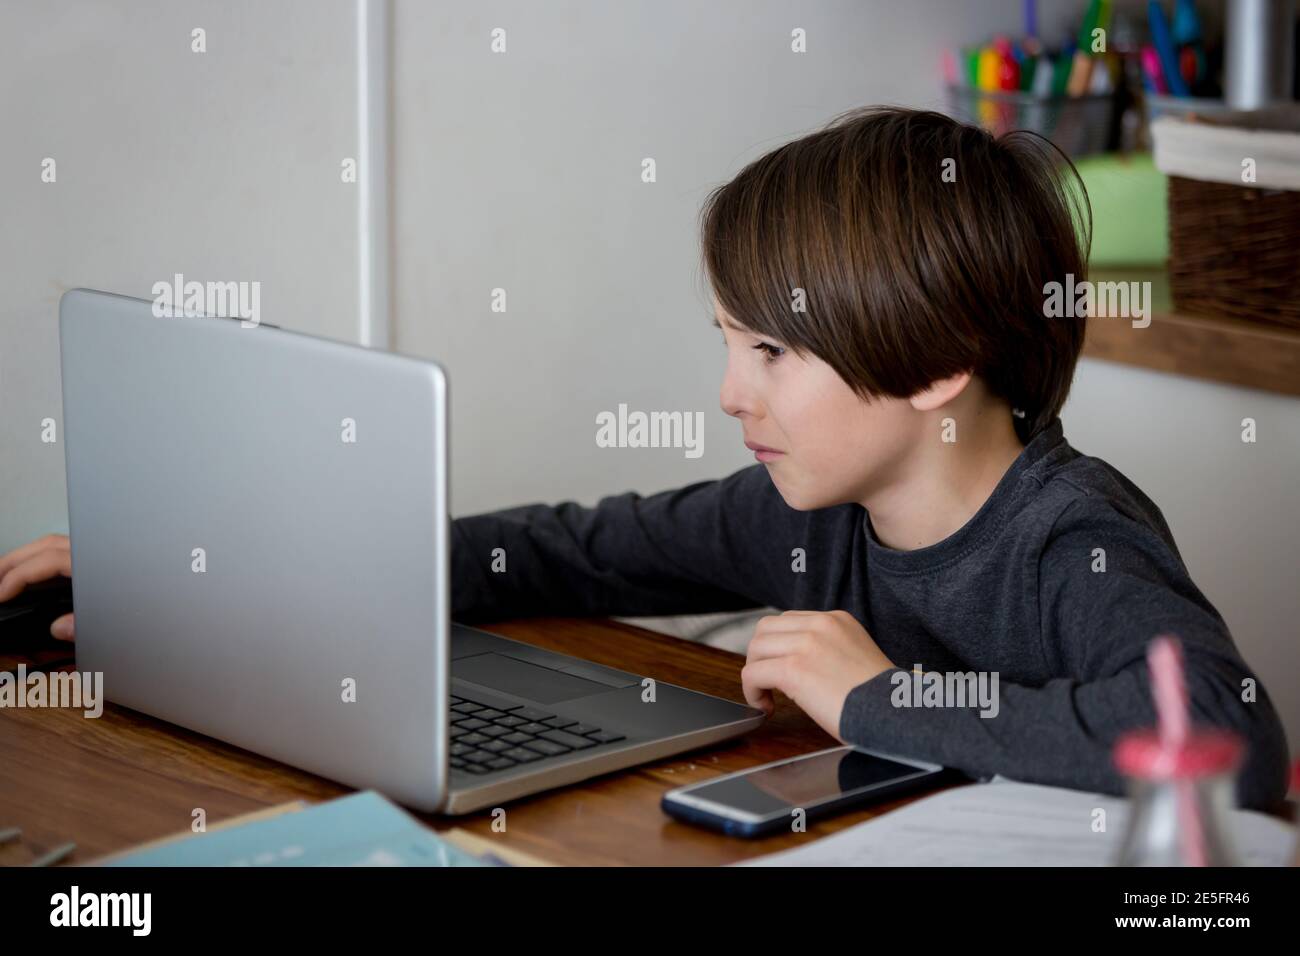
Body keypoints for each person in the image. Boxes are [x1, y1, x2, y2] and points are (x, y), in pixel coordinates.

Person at [3, 106, 1289, 809]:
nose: (731, 393)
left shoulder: (1071, 534)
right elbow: (563, 545)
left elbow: (1231, 736)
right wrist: (216, 570)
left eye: (772, 354)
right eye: (727, 344)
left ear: (936, 363)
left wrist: (880, 696)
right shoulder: (804, 509)